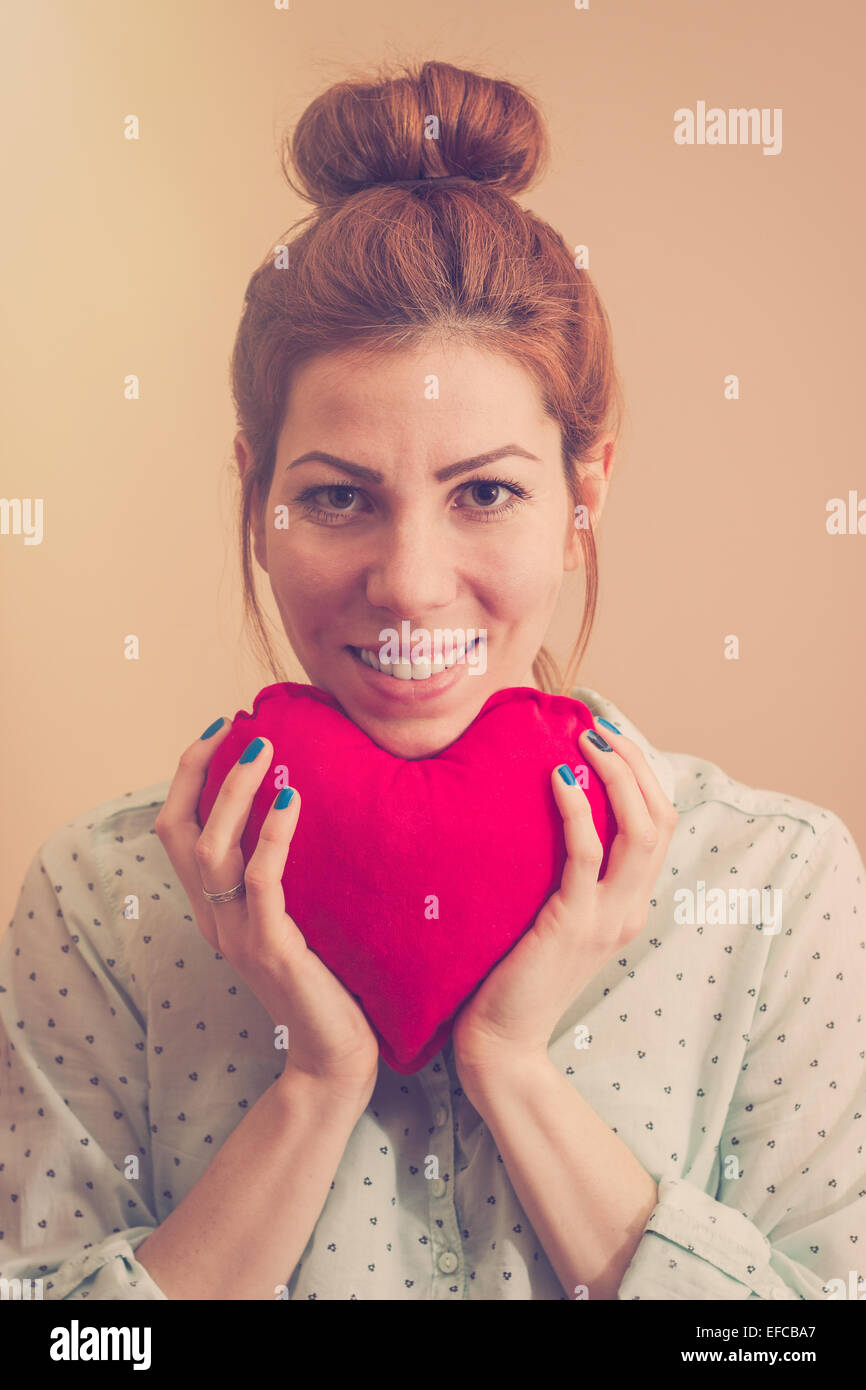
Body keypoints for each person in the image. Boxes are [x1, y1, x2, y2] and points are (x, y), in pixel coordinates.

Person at [1, 59, 863, 1303]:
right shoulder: (102, 901)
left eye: (485, 493)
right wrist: (312, 1091)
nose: (408, 583)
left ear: (584, 495)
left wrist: (509, 1064)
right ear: (257, 499)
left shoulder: (772, 887)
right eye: (339, 496)